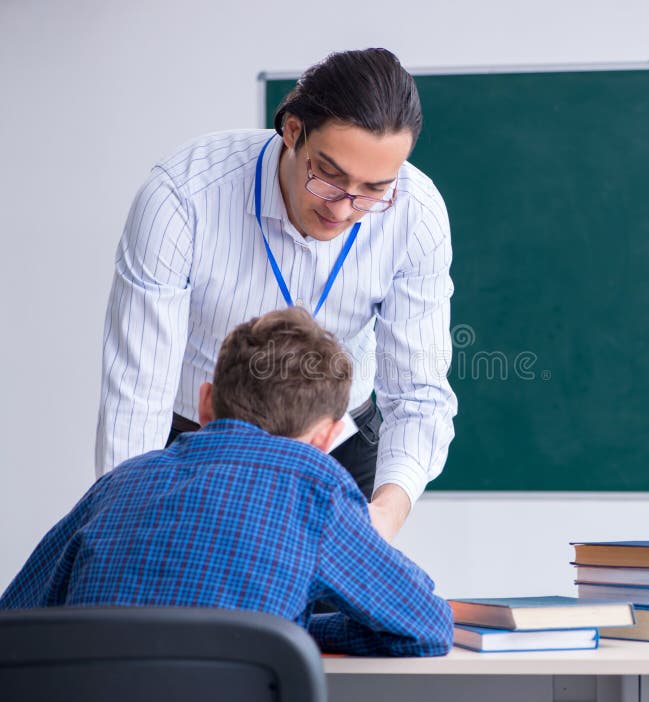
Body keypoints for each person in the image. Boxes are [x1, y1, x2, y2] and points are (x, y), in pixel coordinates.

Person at [95, 48, 457, 542]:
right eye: (328, 176)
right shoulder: (183, 198)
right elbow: (137, 394)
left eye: (373, 189)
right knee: (190, 608)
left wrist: (384, 518)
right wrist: (127, 530)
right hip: (202, 442)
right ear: (291, 131)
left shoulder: (415, 215)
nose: (346, 208)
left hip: (337, 444)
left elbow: (418, 393)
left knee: (335, 619)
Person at [1, 308, 453, 657]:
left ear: (204, 403)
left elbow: (14, 622)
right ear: (327, 438)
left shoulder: (120, 483)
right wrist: (287, 632)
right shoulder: (317, 493)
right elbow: (425, 624)